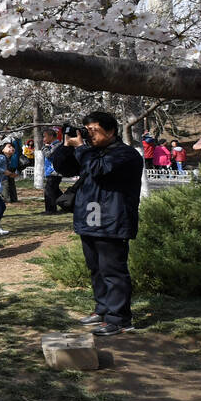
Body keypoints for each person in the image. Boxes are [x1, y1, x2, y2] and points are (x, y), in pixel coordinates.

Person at [50, 111, 144, 336]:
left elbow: (99, 170)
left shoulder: (125, 154)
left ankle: (120, 319)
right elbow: (64, 167)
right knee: (96, 269)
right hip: (89, 219)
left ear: (111, 131)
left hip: (112, 220)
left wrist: (82, 148)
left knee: (113, 270)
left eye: (93, 131)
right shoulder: (90, 153)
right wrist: (66, 145)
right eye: (86, 131)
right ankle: (102, 309)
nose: (89, 136)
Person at [42, 128, 64, 213]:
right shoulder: (52, 145)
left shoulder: (57, 145)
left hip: (54, 171)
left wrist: (44, 147)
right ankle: (68, 205)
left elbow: (48, 154)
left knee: (49, 191)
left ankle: (50, 210)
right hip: (50, 171)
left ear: (51, 136)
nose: (43, 139)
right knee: (55, 191)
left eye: (45, 136)